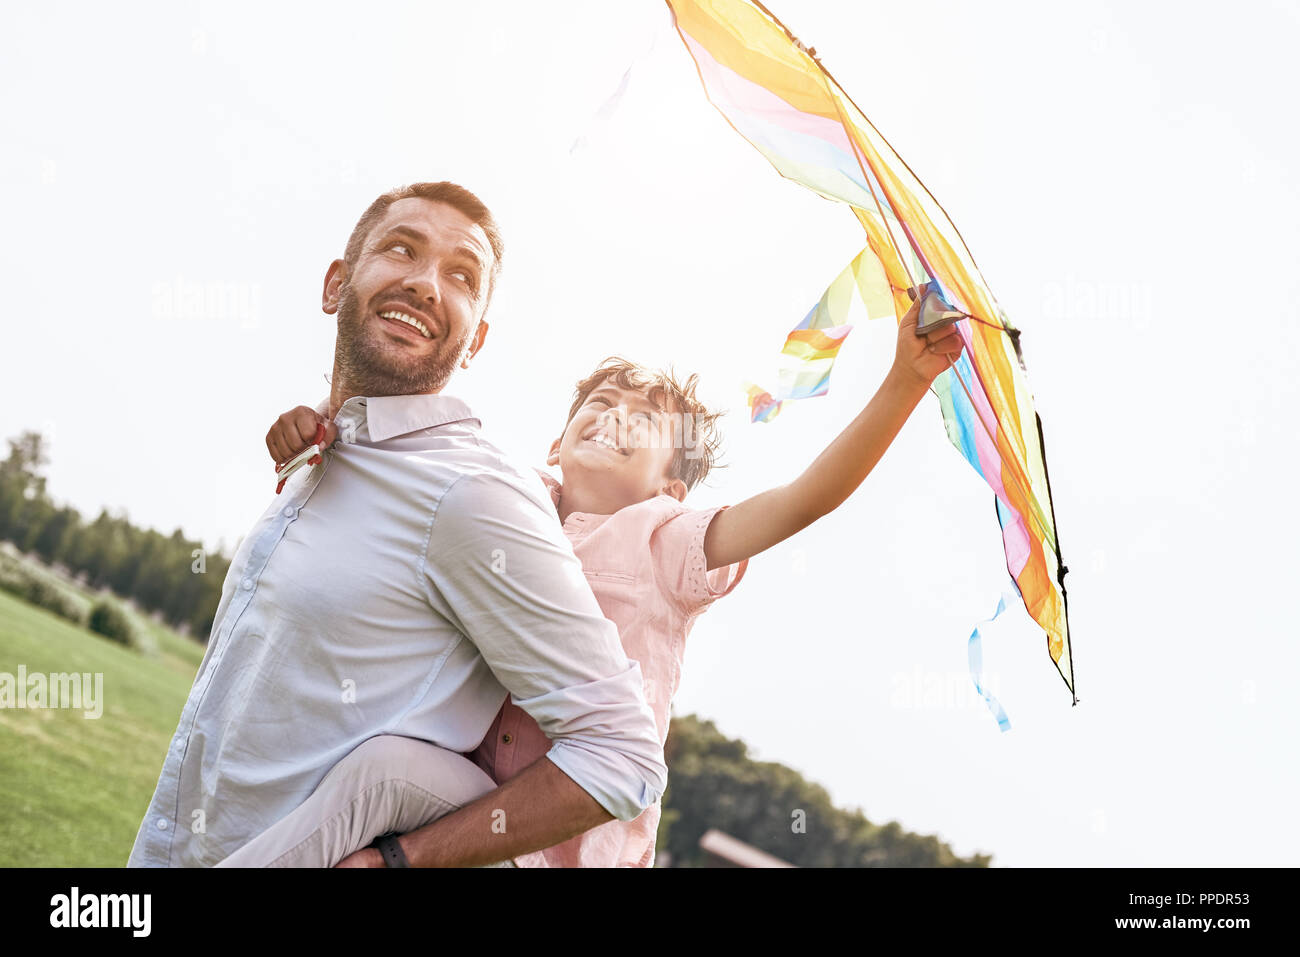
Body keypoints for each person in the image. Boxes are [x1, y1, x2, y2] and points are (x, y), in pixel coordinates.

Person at [239, 283, 964, 868]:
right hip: (466, 803)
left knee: (380, 780)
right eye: (601, 404)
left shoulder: (669, 542)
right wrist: (326, 425)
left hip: (560, 842)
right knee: (369, 768)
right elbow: (413, 456)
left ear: (671, 487)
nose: (615, 418)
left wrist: (904, 379)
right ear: (558, 439)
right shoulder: (509, 507)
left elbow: (802, 500)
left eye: (644, 419)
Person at [127, 181, 669, 868]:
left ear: (475, 340)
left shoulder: (474, 493)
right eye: (401, 249)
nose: (424, 284)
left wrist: (404, 859)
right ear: (336, 284)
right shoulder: (319, 454)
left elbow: (622, 753)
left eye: (462, 276)